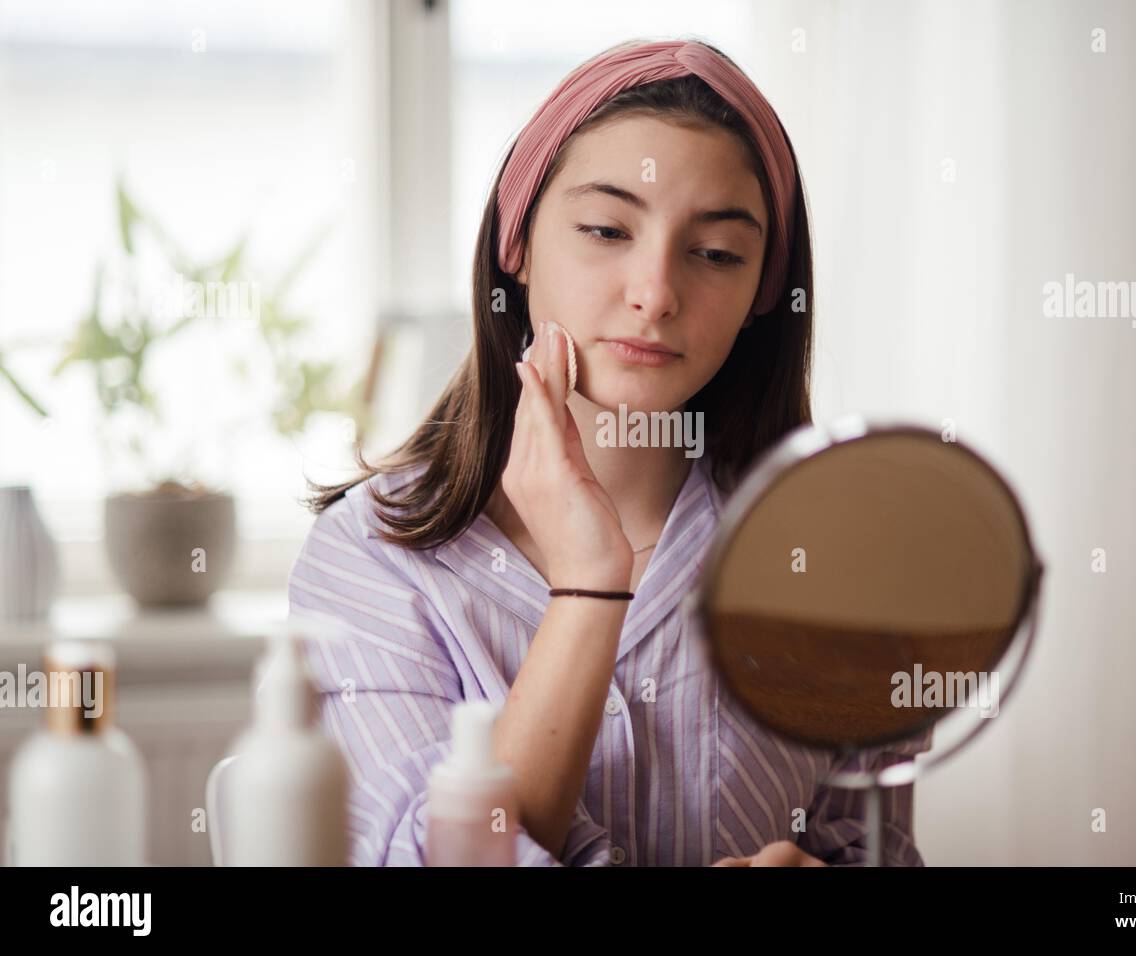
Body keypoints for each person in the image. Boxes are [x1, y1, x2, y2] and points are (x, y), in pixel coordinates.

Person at [288, 37, 928, 867]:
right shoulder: (367, 562)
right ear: (515, 247)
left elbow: (874, 845)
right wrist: (588, 586)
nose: (656, 294)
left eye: (717, 254)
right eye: (604, 229)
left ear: (763, 294)